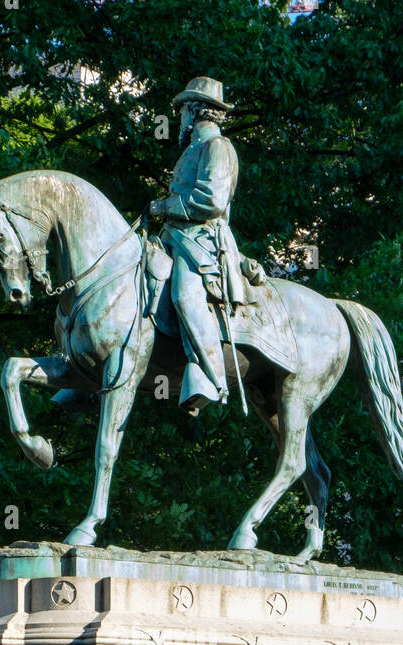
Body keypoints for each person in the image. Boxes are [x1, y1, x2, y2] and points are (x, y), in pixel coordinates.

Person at [148, 75, 259, 415]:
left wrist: (163, 207)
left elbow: (210, 201)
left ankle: (211, 380)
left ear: (196, 111)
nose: (179, 117)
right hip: (175, 237)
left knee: (185, 296)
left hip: (202, 243)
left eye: (182, 110)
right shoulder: (193, 150)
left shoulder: (218, 147)